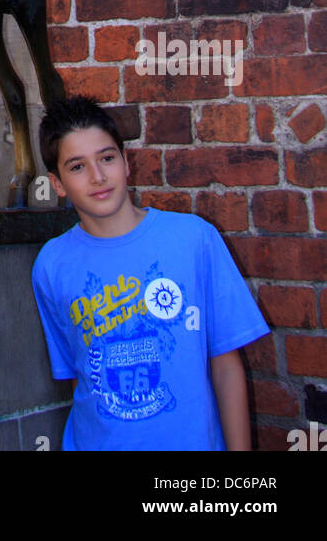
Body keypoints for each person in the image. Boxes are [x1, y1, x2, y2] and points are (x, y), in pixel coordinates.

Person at [31, 95, 269, 451]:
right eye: (77, 167)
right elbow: (80, 379)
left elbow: (225, 364)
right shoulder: (50, 265)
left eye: (107, 158)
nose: (98, 177)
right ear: (58, 184)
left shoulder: (193, 239)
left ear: (126, 163)